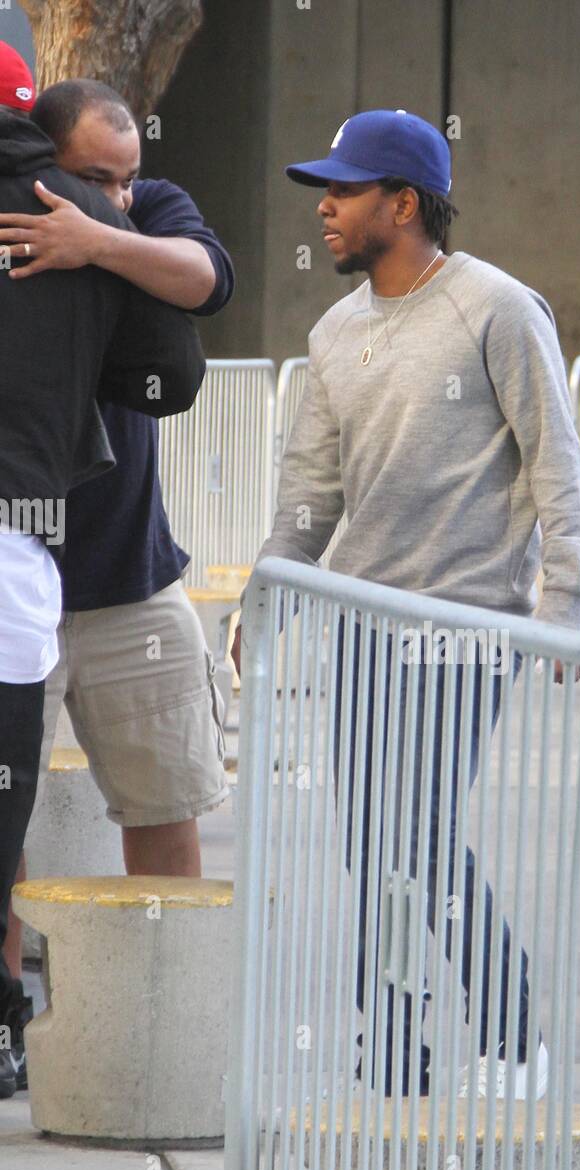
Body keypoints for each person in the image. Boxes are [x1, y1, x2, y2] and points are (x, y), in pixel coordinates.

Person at [234, 108, 580, 1099]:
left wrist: (563, 608)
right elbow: (310, 492)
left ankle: (512, 1034)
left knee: (419, 837)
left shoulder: (495, 308)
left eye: (344, 190)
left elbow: (557, 466)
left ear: (403, 204)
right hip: (361, 627)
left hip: (461, 627)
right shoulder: (332, 330)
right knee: (372, 846)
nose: (324, 206)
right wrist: (264, 592)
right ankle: (394, 1047)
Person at [0, 78, 235, 1093]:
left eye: (126, 179)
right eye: (93, 180)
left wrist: (99, 240)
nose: (119, 194)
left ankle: (165, 1011)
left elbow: (203, 280)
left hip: (128, 577)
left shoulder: (136, 213)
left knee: (166, 795)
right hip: (21, 573)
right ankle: (12, 1022)